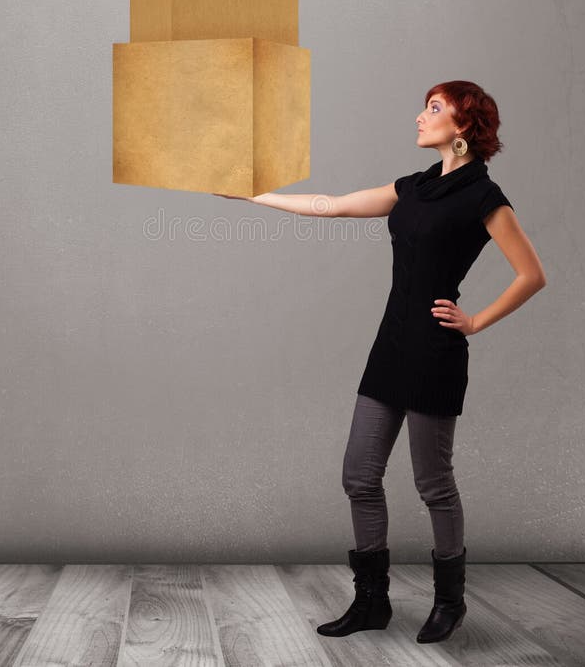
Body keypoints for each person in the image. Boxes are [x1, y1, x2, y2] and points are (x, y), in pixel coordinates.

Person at [213, 80, 547, 645]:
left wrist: (476, 320)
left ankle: (450, 603)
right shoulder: (412, 188)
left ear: (462, 127)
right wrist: (254, 195)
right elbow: (334, 205)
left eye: (434, 109)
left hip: (437, 354)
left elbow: (532, 275)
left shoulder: (485, 198)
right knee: (359, 476)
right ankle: (372, 602)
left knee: (433, 483)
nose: (421, 116)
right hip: (390, 348)